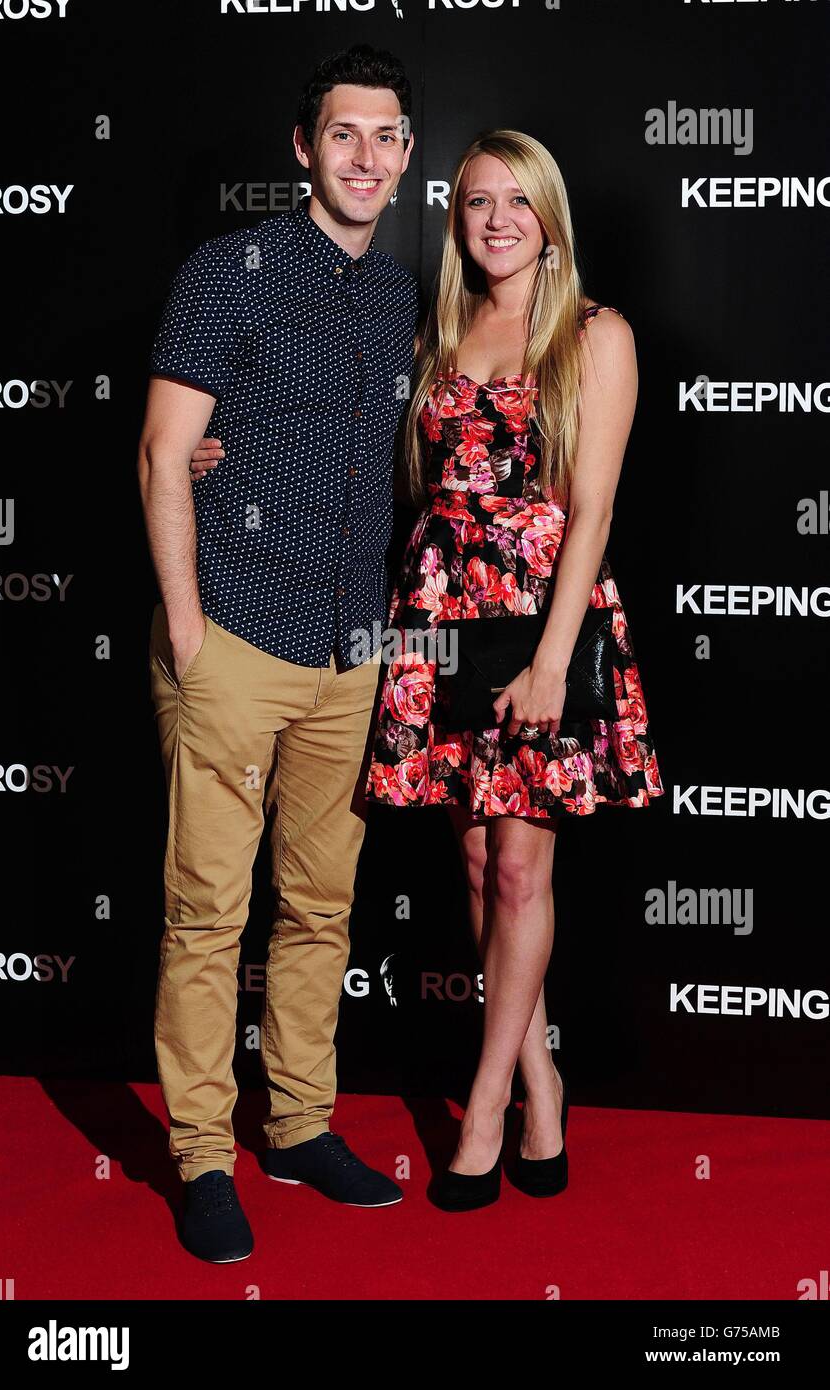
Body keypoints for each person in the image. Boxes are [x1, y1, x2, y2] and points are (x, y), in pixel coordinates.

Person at [137, 43, 417, 1263]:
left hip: (350, 647)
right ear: (304, 149)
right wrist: (191, 631)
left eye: (390, 136)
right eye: (345, 134)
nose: (367, 156)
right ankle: (203, 1153)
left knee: (320, 909)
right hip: (236, 635)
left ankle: (298, 1123)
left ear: (410, 157)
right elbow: (163, 452)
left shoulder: (404, 294)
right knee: (207, 915)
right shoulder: (229, 273)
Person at [363, 130, 665, 1210]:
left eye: (516, 202)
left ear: (549, 217)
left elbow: (593, 511)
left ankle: (485, 1104)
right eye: (477, 202)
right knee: (482, 868)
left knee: (524, 872)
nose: (495, 219)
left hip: (542, 613)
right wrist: (213, 450)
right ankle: (544, 1077)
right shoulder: (439, 330)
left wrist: (548, 661)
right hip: (438, 614)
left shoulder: (595, 332)